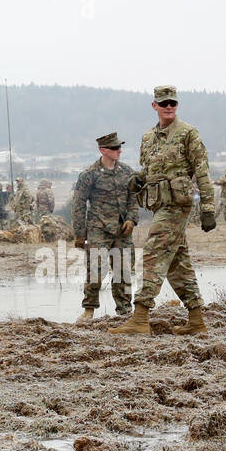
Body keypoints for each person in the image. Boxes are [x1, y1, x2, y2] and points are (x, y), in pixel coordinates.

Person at [109, 85, 215, 336]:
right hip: (159, 205)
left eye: (173, 103)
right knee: (178, 263)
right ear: (155, 105)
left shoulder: (188, 134)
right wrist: (138, 179)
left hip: (177, 206)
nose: (169, 107)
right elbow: (149, 169)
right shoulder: (148, 138)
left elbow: (202, 172)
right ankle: (197, 320)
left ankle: (140, 317)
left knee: (153, 253)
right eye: (164, 103)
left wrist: (208, 208)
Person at [70, 132, 137, 323]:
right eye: (115, 148)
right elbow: (79, 205)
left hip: (122, 229)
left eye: (119, 147)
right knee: (96, 270)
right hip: (98, 228)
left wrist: (131, 220)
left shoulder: (127, 172)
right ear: (103, 150)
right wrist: (79, 234)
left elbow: (133, 199)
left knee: (123, 271)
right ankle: (89, 309)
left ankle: (124, 311)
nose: (119, 151)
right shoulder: (89, 175)